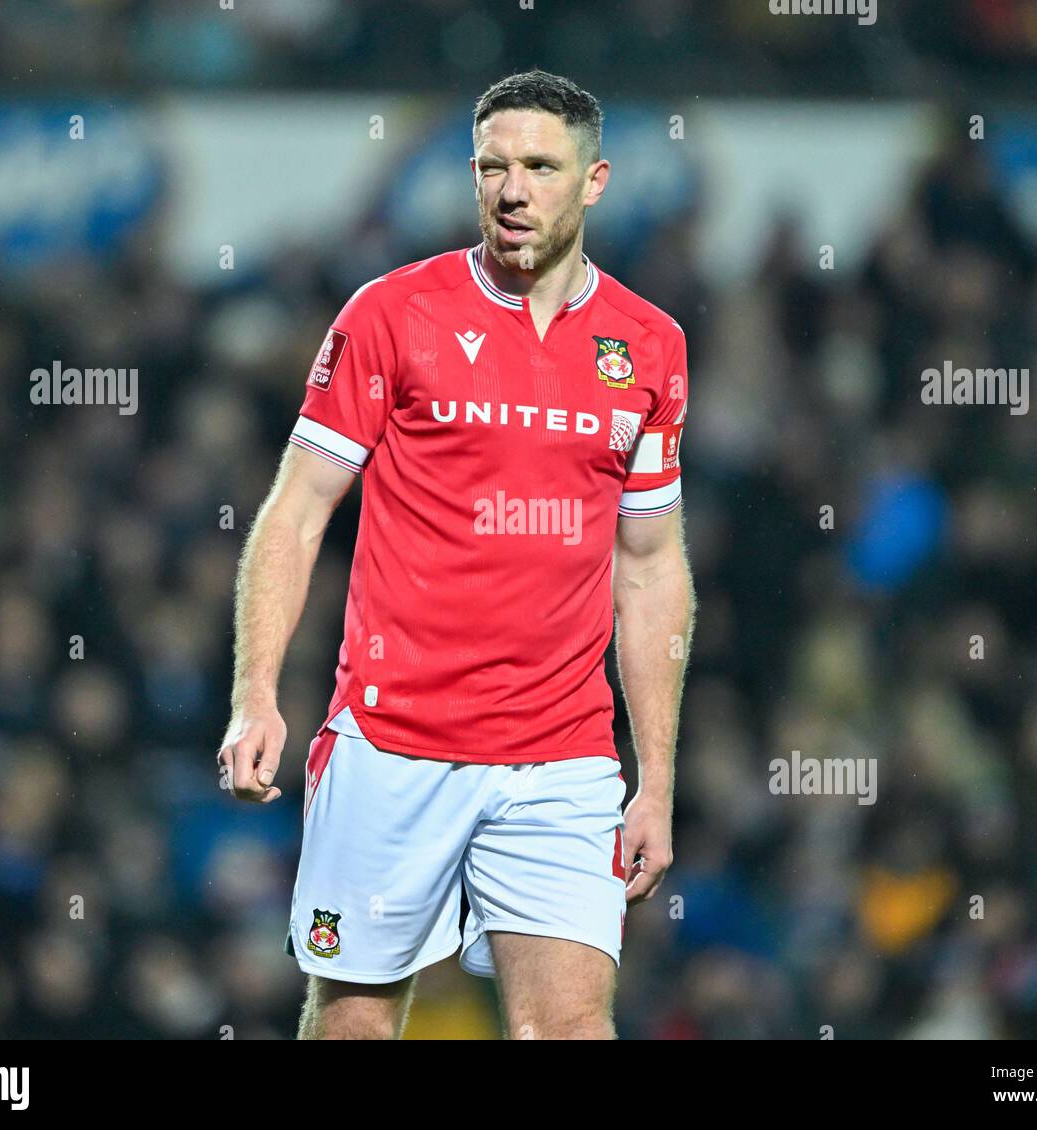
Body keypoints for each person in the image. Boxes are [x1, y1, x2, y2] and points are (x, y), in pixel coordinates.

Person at [218, 69, 695, 1040]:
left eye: (539, 167)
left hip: (562, 753)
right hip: (394, 739)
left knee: (568, 1027)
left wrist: (656, 776)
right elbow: (297, 507)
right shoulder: (392, 315)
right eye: (492, 166)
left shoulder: (647, 346)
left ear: (595, 180)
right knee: (354, 1018)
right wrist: (255, 691)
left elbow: (648, 565)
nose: (512, 189)